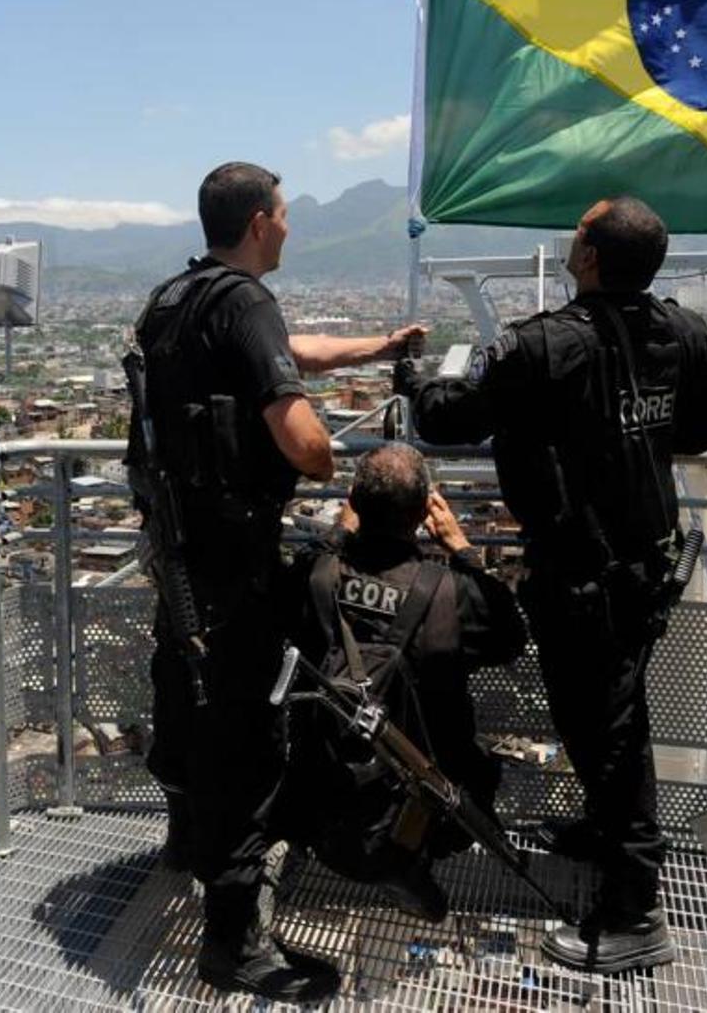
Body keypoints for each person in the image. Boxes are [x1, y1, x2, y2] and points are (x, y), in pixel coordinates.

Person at [398, 195, 707, 974]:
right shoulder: (682, 331)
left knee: (610, 735)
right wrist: (643, 435)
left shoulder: (541, 345)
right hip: (647, 564)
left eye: (578, 235)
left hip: (581, 573)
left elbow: (449, 419)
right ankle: (600, 833)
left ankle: (635, 913)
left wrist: (415, 381)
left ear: (587, 256)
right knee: (604, 718)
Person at [131, 162, 423, 1002]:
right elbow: (305, 443)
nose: (291, 226)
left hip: (179, 557)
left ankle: (185, 844)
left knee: (185, 704)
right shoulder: (246, 301)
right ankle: (233, 943)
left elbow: (288, 357)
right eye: (285, 214)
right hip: (233, 566)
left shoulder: (175, 300)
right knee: (245, 748)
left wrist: (379, 347)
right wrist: (341, 459)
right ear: (260, 222)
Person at [279, 443, 527, 921]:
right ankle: (408, 861)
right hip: (424, 803)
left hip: (320, 787)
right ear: (422, 515)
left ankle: (301, 846)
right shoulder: (451, 595)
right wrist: (463, 550)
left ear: (354, 503)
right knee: (473, 761)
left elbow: (284, 596)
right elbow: (510, 636)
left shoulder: (319, 576)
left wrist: (338, 533)